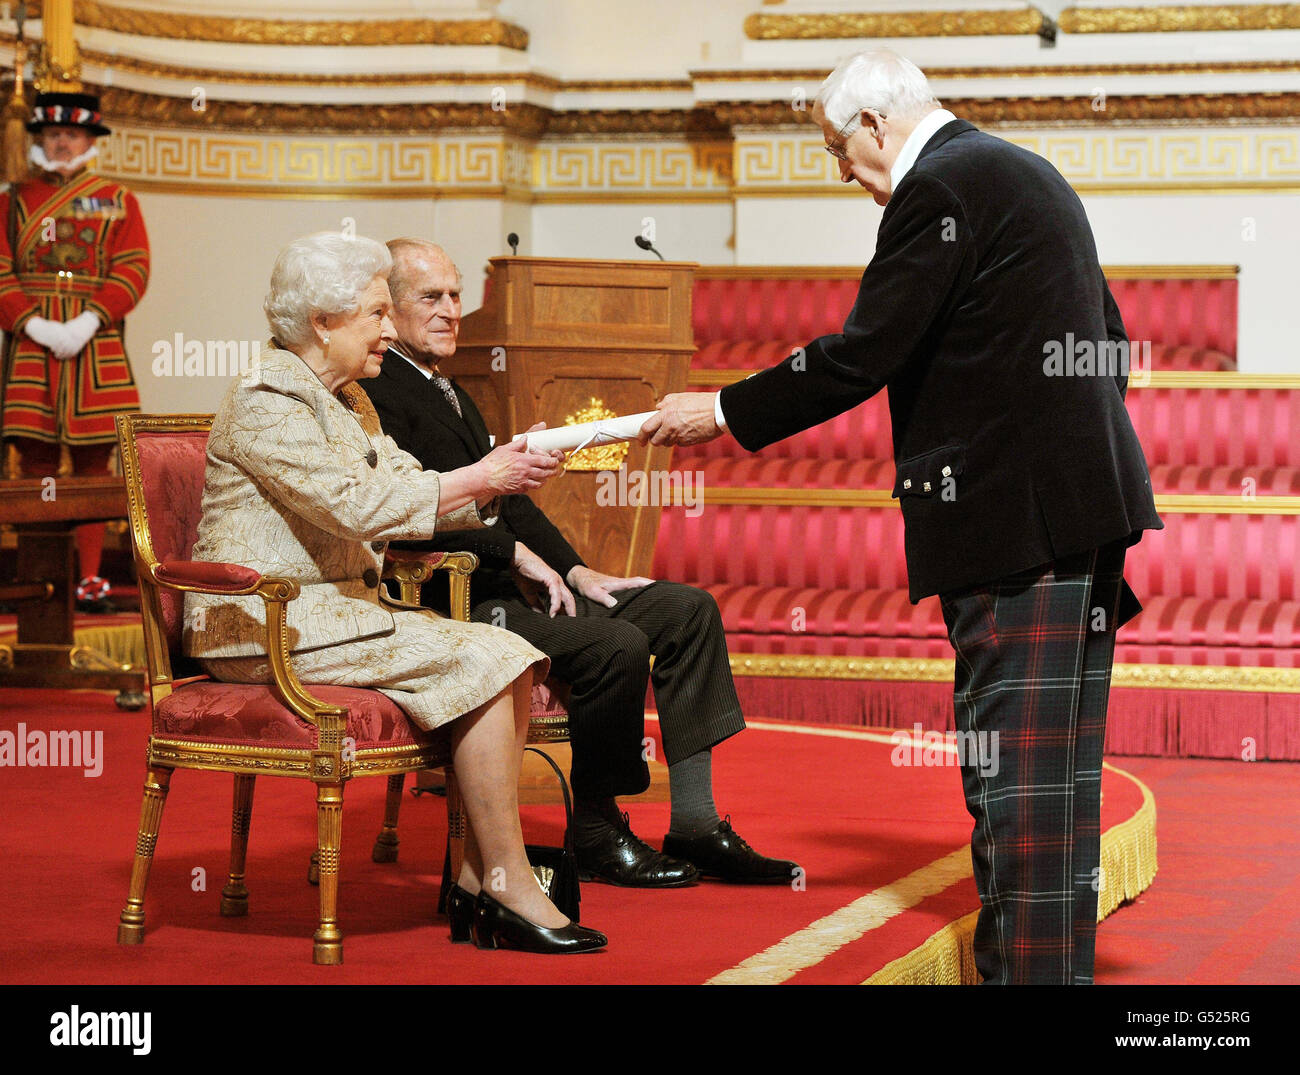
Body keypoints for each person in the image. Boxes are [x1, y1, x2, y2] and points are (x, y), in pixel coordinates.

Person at [642, 50, 1162, 984]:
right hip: (1078, 518)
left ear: (877, 127)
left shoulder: (940, 186)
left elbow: (862, 352)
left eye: (839, 149)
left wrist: (719, 411)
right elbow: (1108, 346)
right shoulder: (1024, 171)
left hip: (1014, 532)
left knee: (1018, 793)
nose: (843, 172)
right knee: (1059, 787)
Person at [183, 231, 606, 954]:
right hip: (263, 622)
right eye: (377, 313)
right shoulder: (266, 399)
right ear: (322, 321)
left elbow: (409, 485)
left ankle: (478, 876)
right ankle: (506, 879)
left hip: (335, 614)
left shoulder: (348, 401)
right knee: (483, 660)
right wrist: (484, 475)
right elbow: (357, 503)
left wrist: (510, 473)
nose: (390, 328)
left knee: (508, 650)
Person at [362, 238, 800, 888]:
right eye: (433, 297)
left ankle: (697, 825)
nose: (453, 310)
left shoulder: (450, 390)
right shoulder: (377, 396)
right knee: (615, 643)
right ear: (390, 310)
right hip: (458, 600)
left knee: (687, 611)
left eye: (457, 295)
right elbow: (407, 513)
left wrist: (574, 570)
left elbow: (513, 503)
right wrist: (513, 554)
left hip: (525, 586)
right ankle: (596, 829)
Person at [0, 92, 150, 610]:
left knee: (95, 465)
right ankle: (41, 579)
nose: (63, 142)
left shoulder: (115, 198)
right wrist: (31, 322)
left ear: (90, 141)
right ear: (40, 138)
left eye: (73, 135)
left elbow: (133, 267)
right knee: (34, 459)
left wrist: (90, 318)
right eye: (53, 134)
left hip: (95, 338)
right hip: (31, 340)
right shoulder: (12, 198)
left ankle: (90, 579)